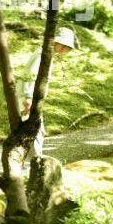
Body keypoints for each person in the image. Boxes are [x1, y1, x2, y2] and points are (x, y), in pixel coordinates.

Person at [22, 26, 77, 157]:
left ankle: (25, 162)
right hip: (29, 97)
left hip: (33, 97)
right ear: (55, 42)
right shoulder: (42, 55)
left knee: (27, 130)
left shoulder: (47, 55)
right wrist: (28, 96)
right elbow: (30, 75)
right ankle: (37, 162)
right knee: (36, 130)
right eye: (63, 46)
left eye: (67, 47)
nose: (64, 50)